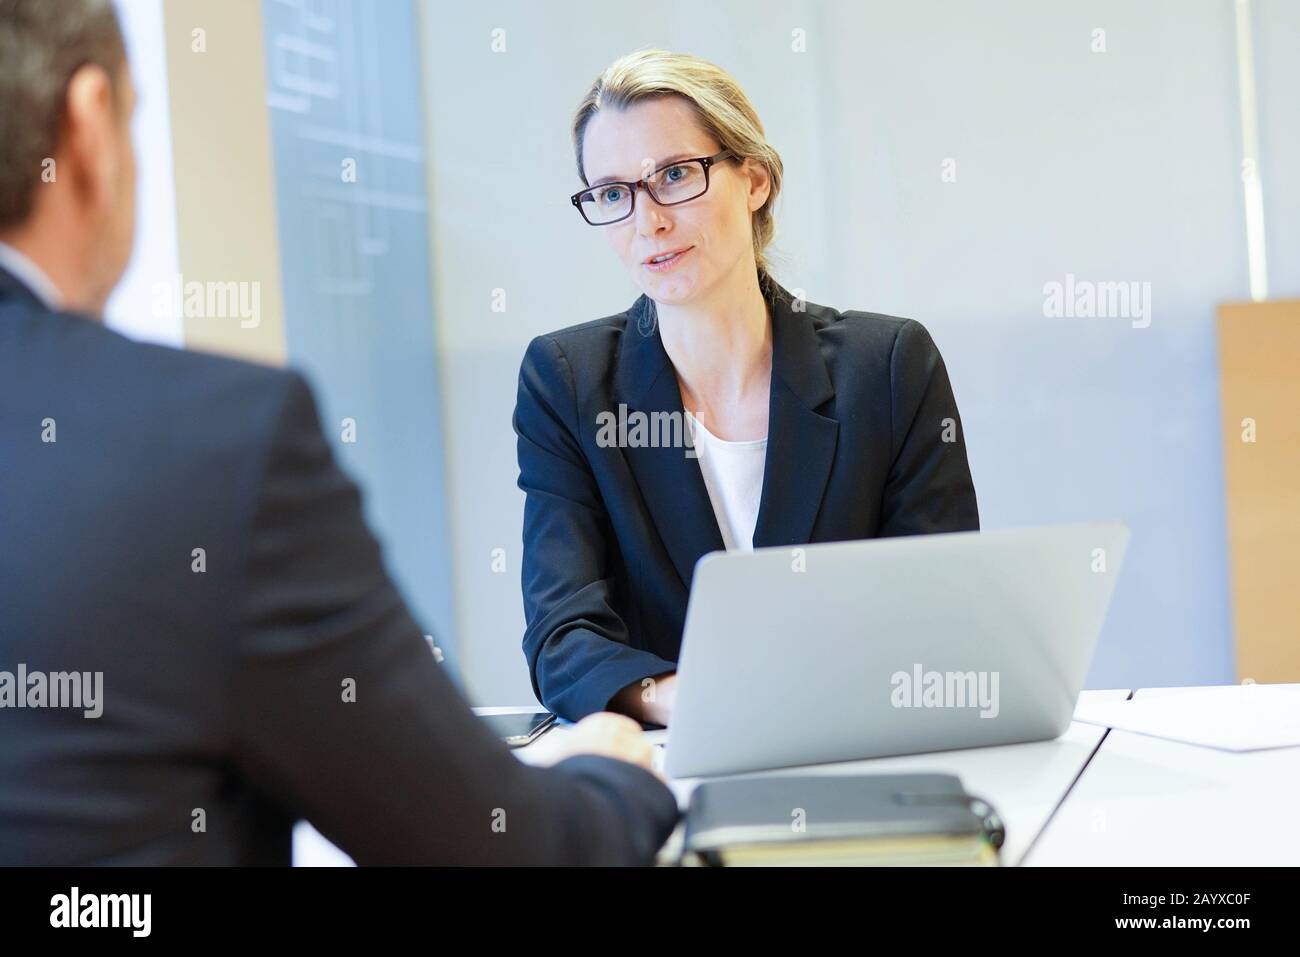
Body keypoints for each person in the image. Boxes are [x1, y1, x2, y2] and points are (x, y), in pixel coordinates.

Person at [0, 0, 677, 865]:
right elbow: (490, 846)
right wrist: (612, 772)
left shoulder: (880, 359)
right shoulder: (211, 442)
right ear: (90, 126)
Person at [514, 50, 979, 726]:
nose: (648, 222)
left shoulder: (888, 366)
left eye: (675, 175)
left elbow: (943, 611)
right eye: (613, 193)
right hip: (672, 765)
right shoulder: (568, 381)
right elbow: (563, 636)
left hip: (863, 743)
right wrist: (695, 703)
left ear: (754, 178)